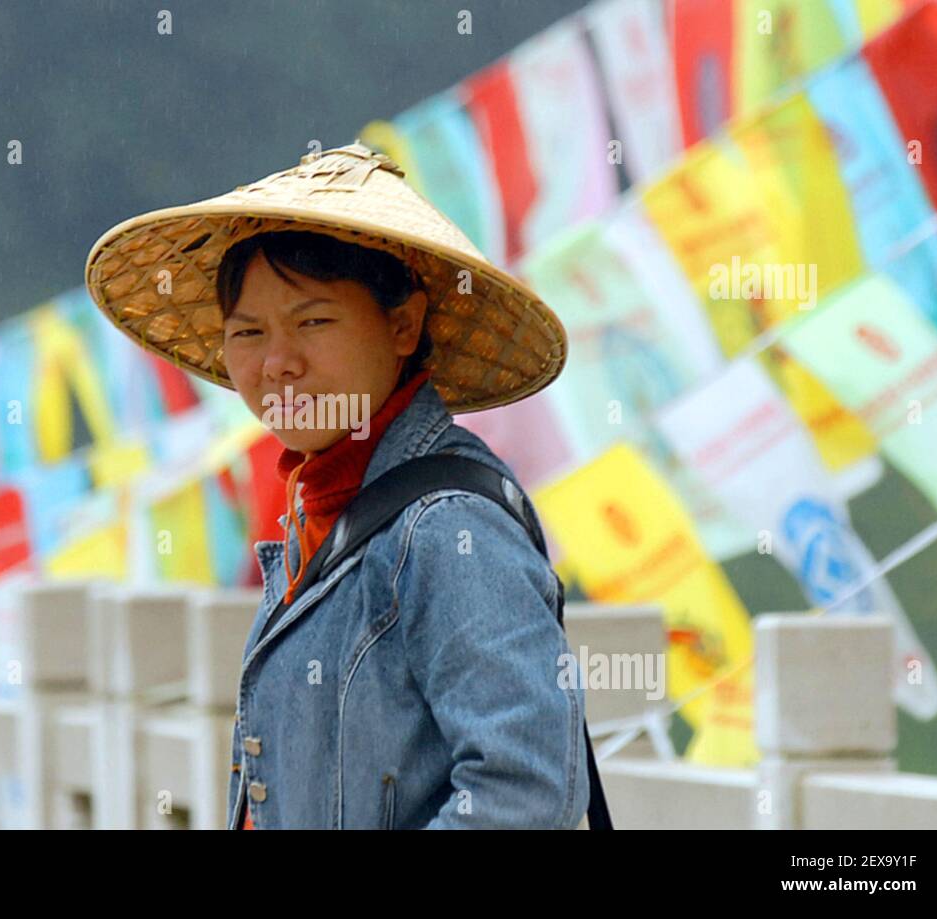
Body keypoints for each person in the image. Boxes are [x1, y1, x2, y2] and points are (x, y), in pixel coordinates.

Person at [85, 142, 589, 829]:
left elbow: (525, 792)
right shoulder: (319, 518)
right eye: (249, 331)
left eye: (313, 321)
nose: (276, 362)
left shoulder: (449, 529)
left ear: (403, 324)